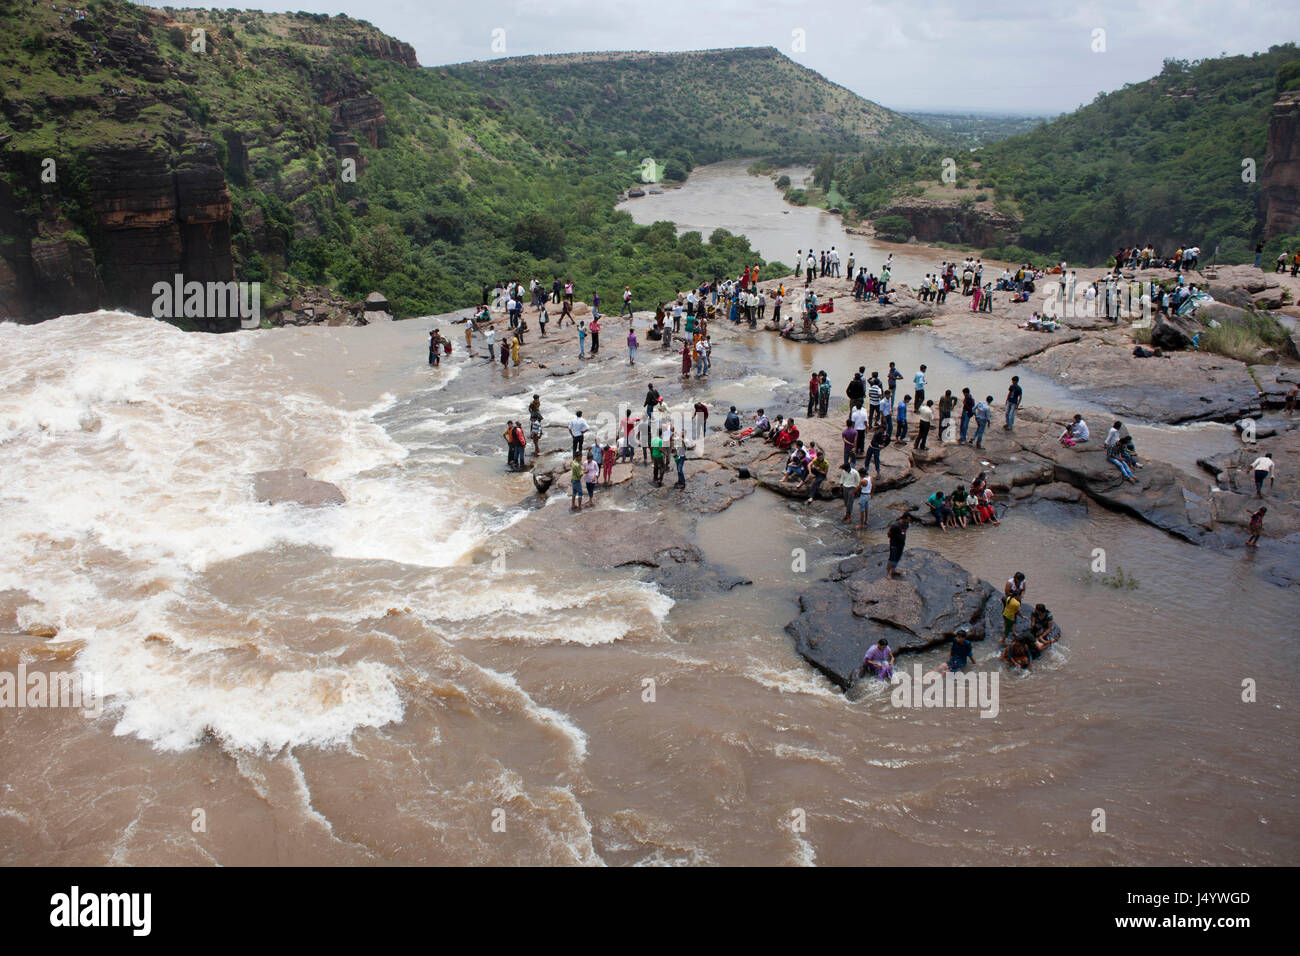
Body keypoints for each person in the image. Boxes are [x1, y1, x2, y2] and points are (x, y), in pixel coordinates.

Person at [885, 513, 910, 578]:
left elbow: (904, 531)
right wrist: (893, 539)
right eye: (908, 520)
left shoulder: (906, 524)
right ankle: (888, 573)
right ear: (904, 518)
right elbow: (888, 534)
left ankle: (893, 570)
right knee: (892, 558)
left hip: (901, 544)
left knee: (897, 557)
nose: (909, 521)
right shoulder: (895, 525)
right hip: (894, 544)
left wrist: (901, 537)